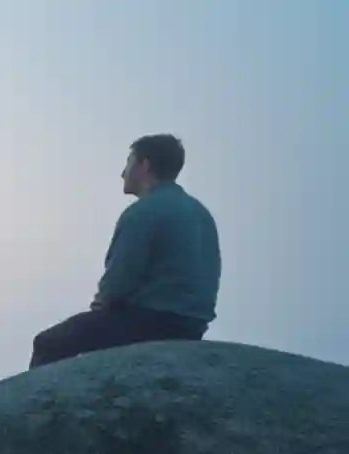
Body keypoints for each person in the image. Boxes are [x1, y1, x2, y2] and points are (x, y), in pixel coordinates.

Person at [29, 134, 221, 369]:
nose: (123, 173)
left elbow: (118, 281)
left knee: (48, 344)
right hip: (192, 327)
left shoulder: (143, 212)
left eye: (128, 163)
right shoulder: (202, 214)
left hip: (149, 323)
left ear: (145, 165)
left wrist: (99, 311)